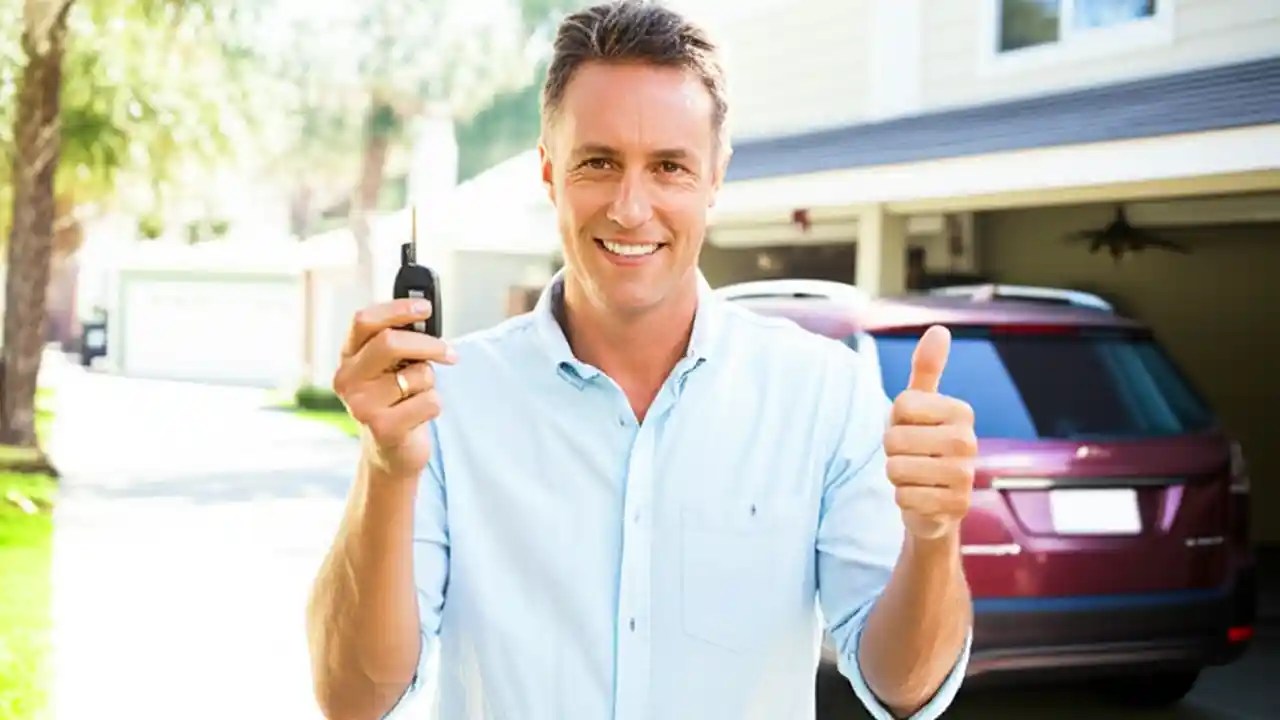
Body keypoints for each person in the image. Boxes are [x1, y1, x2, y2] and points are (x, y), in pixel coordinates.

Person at [305, 2, 976, 718]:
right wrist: (383, 468)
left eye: (669, 167)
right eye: (598, 162)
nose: (631, 207)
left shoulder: (823, 394)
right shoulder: (444, 402)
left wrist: (933, 539)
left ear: (715, 177)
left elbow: (904, 689)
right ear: (548, 171)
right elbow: (354, 699)